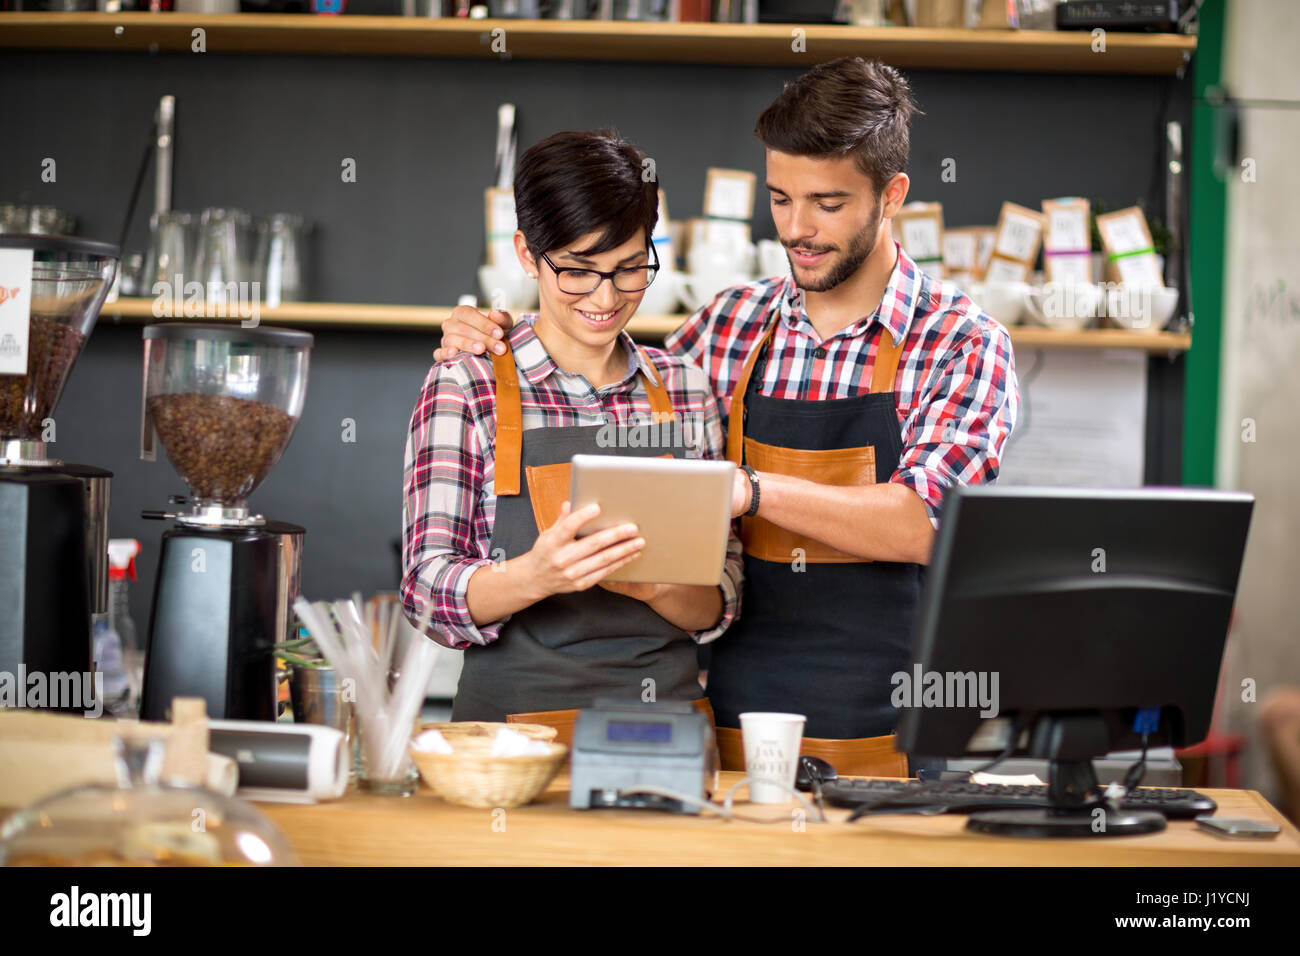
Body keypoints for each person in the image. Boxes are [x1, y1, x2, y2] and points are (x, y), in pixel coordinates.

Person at [434, 59, 1019, 747]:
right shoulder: (728, 326)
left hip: (894, 731)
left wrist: (747, 489)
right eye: (779, 198)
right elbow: (598, 380)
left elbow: (925, 522)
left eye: (827, 203)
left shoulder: (962, 343)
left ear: (891, 196)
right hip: (733, 726)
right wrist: (492, 337)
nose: (797, 228)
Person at [402, 130, 743, 722]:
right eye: (579, 271)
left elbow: (722, 596)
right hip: (511, 741)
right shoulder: (468, 384)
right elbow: (426, 590)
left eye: (631, 268)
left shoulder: (686, 388)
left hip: (668, 734)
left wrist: (657, 587)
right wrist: (536, 576)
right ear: (527, 254)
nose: (605, 297)